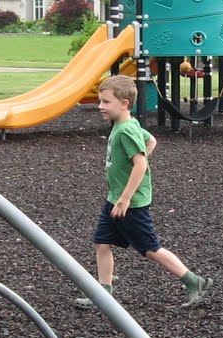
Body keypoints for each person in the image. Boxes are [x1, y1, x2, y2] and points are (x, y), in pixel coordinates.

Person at [76, 74, 212, 310]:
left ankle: (194, 281)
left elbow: (140, 164)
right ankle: (104, 294)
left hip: (129, 203)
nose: (100, 106)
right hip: (115, 199)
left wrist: (125, 198)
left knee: (150, 248)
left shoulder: (126, 131)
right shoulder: (127, 124)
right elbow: (151, 141)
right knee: (102, 242)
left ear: (124, 104)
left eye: (106, 102)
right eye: (100, 101)